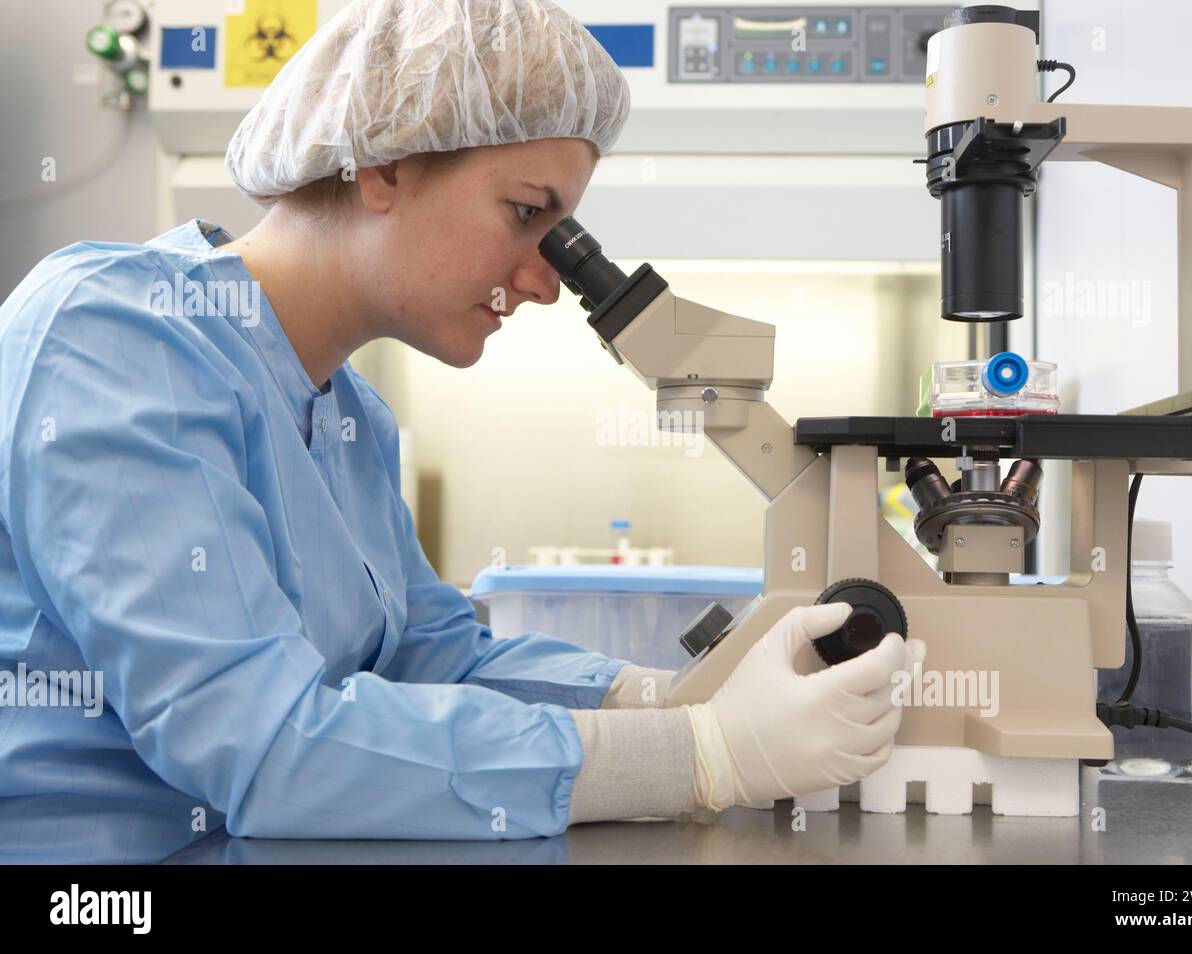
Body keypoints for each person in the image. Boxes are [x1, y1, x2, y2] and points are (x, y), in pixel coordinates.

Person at [0, 0, 922, 863]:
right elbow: (263, 744)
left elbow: (434, 658)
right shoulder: (113, 336)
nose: (547, 280)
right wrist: (701, 754)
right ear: (384, 163)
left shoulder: (351, 418)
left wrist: (670, 698)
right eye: (528, 215)